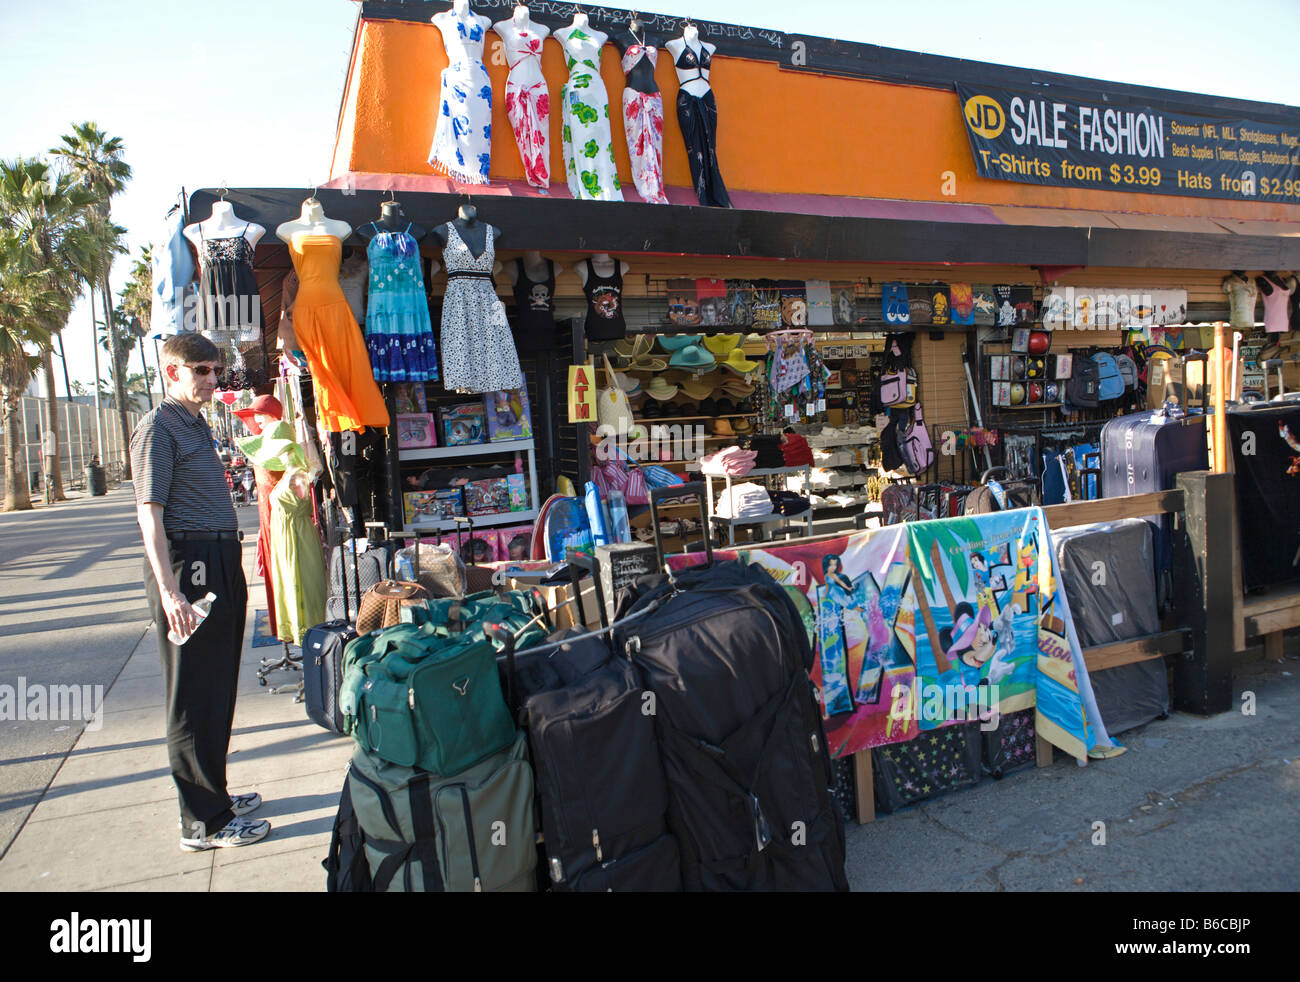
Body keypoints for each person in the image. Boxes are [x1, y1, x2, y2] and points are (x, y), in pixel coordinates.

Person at [129, 333, 270, 851]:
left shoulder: (195, 424)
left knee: (216, 686)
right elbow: (150, 514)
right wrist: (170, 593)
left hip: (217, 560)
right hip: (189, 566)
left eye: (215, 369)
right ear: (173, 373)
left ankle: (216, 795)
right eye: (201, 370)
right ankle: (202, 822)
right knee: (192, 693)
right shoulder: (158, 429)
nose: (212, 379)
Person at [41, 429, 56, 504]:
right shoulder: (44, 445)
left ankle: (51, 498)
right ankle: (49, 498)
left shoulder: (50, 445)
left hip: (47, 462)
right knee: (48, 484)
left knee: (51, 484)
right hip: (45, 463)